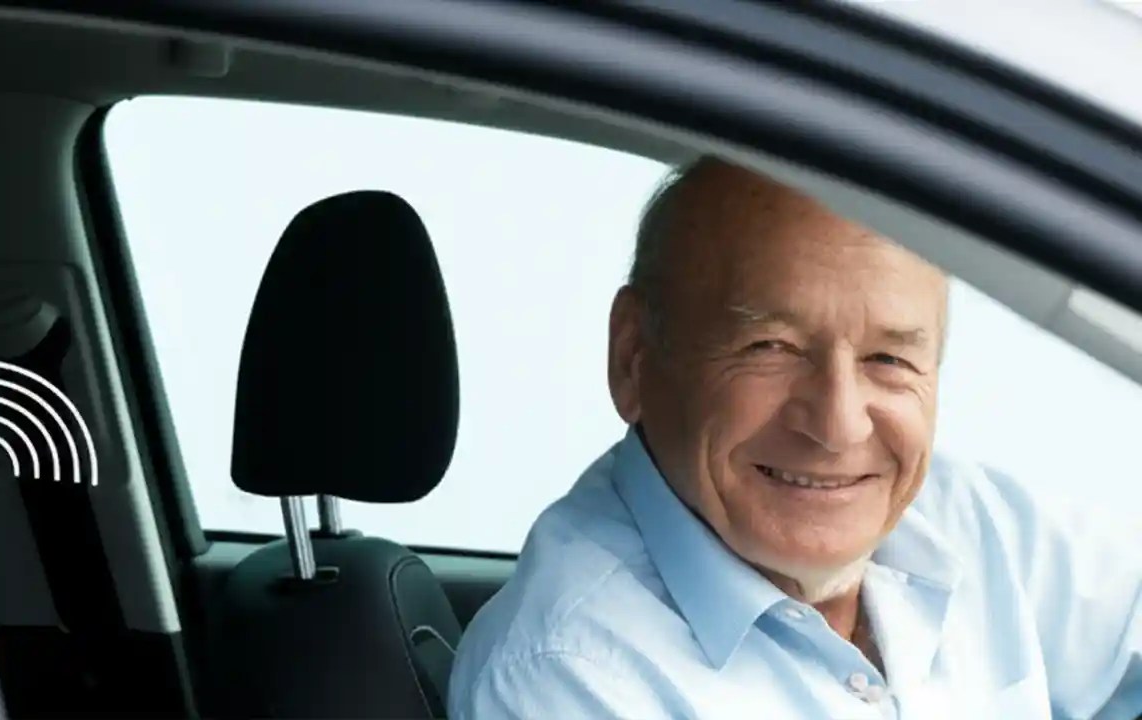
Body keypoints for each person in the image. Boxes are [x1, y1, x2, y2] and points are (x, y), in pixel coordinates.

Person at [447, 158, 1142, 719]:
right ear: (634, 358)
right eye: (770, 347)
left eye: (889, 360)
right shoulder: (566, 677)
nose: (839, 427)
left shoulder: (963, 518)